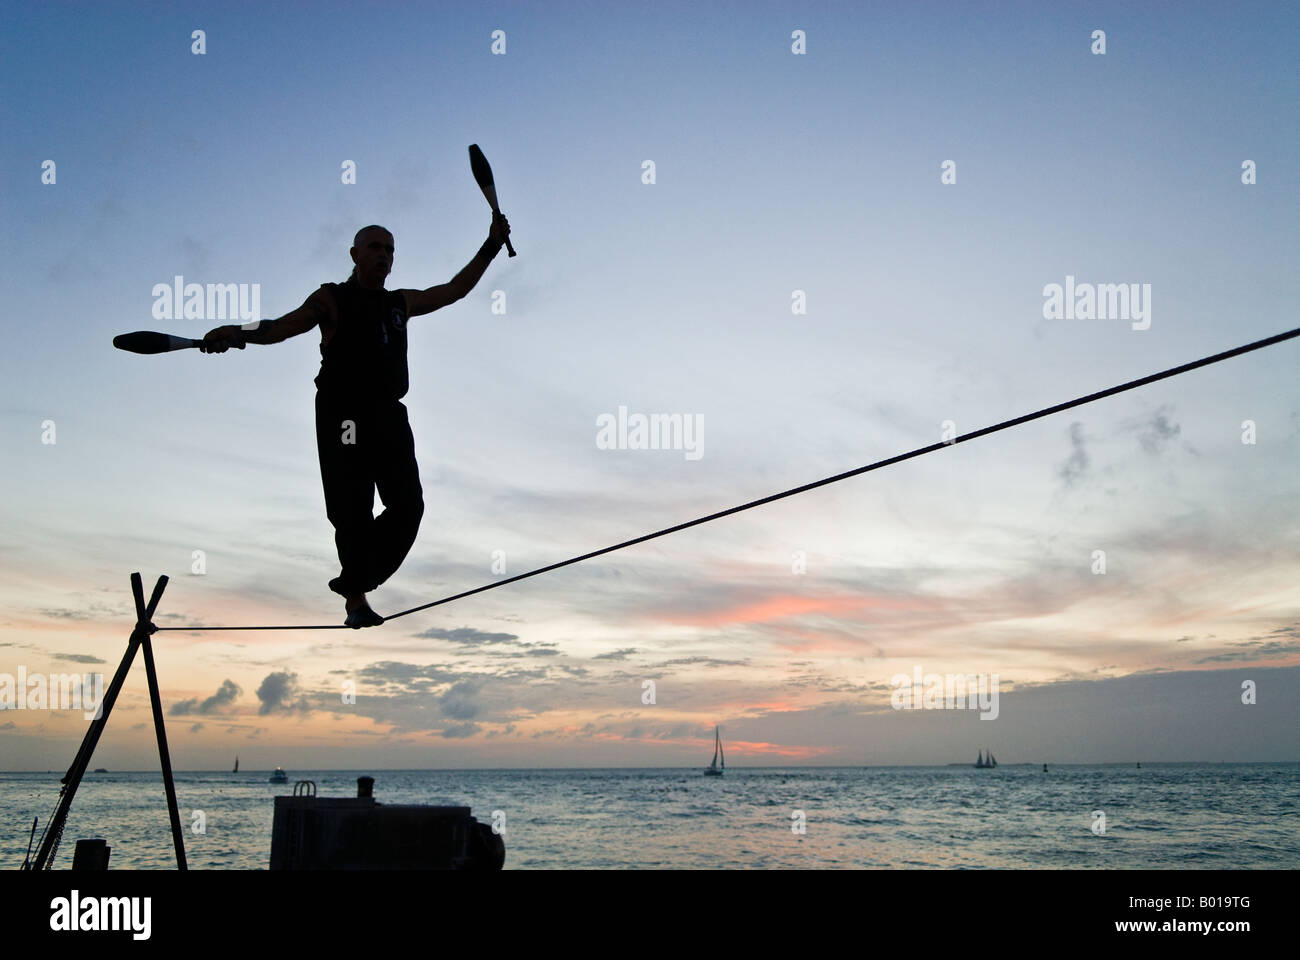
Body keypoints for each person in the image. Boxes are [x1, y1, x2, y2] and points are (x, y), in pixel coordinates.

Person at [200, 216, 511, 627]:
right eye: (375, 247)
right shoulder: (331, 298)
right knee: (352, 510)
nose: (383, 254)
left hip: (387, 412)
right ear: (354, 255)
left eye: (389, 249)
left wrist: (491, 246)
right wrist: (237, 333)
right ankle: (356, 599)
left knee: (409, 506)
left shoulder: (401, 302)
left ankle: (356, 579)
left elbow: (454, 291)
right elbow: (281, 326)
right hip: (342, 411)